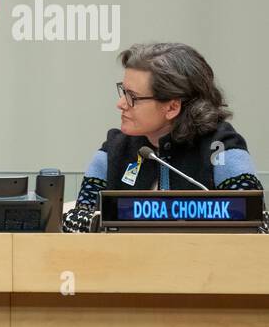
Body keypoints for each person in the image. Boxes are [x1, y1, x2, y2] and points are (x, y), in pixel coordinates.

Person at [64, 42, 267, 232]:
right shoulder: (114, 150)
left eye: (132, 97)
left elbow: (258, 224)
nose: (121, 104)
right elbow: (75, 222)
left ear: (172, 107)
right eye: (123, 91)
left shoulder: (221, 147)